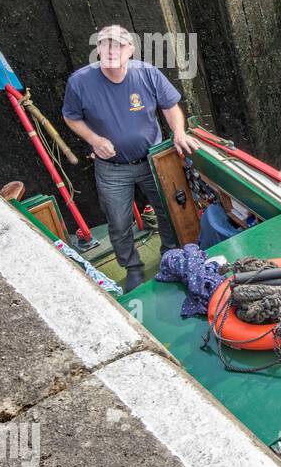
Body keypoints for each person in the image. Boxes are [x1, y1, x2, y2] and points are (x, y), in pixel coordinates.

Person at [62, 25, 200, 292]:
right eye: (105, 44)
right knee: (118, 220)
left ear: (131, 50)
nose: (112, 51)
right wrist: (94, 140)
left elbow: (169, 106)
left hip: (153, 160)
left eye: (119, 45)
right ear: (98, 49)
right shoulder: (79, 82)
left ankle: (169, 254)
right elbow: (71, 116)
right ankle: (133, 268)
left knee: (168, 210)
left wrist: (179, 133)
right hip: (112, 168)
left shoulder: (146, 73)